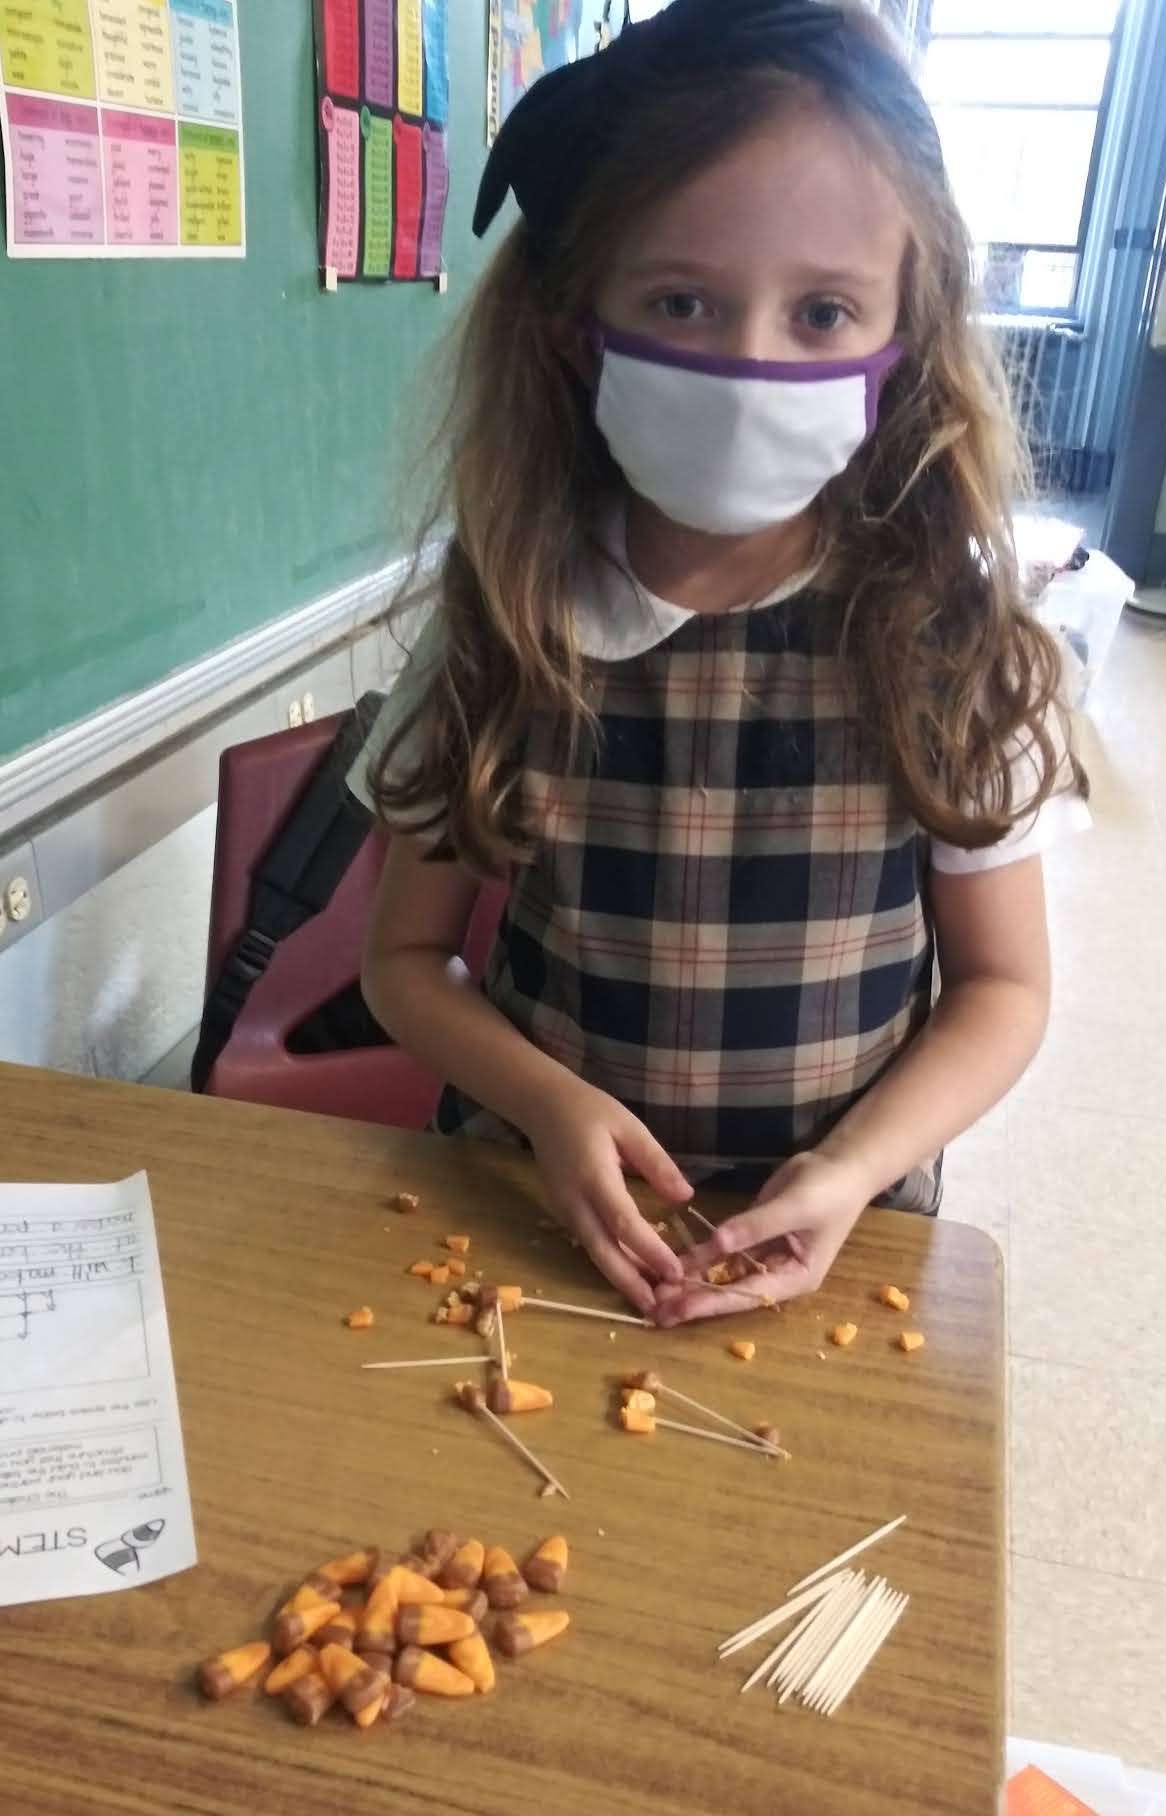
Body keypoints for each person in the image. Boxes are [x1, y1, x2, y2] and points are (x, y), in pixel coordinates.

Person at [351, 0, 1088, 1324]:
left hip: (841, 1249)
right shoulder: (507, 617)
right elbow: (404, 960)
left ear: (895, 346)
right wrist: (550, 1105)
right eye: (684, 300)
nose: (750, 364)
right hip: (530, 1225)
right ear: (578, 329)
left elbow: (1006, 985)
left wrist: (853, 1167)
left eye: (822, 311)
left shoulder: (946, 642)